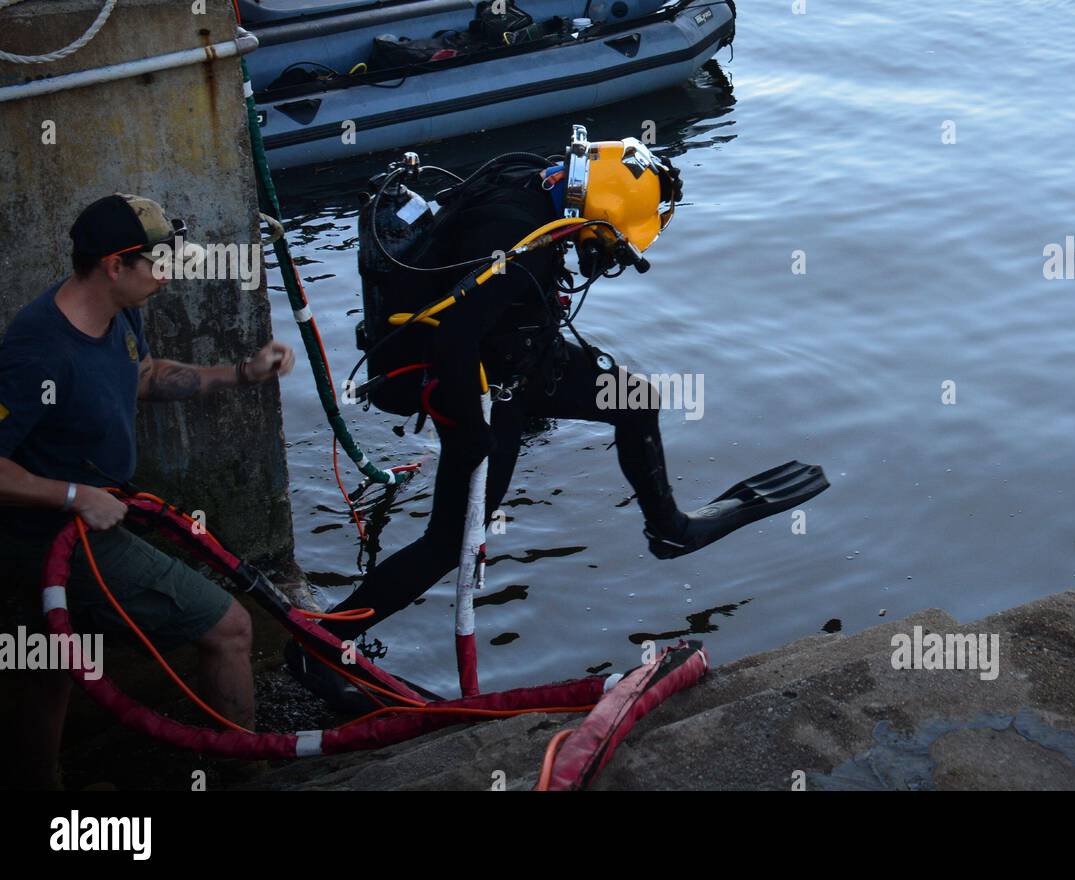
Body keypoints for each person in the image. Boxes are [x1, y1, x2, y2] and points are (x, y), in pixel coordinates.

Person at [290, 128, 828, 706]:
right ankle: (321, 642)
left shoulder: (535, 176)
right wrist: (472, 434)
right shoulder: (519, 237)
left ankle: (669, 531)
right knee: (449, 543)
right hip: (476, 384)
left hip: (525, 356)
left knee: (635, 400)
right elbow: (452, 339)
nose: (607, 254)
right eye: (611, 241)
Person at [0, 193, 296, 788]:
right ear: (114, 265)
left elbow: (145, 375)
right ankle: (246, 776)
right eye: (157, 262)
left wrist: (241, 373)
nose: (166, 275)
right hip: (59, 536)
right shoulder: (38, 351)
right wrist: (74, 496)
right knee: (231, 628)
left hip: (98, 516)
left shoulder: (117, 314)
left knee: (50, 664)